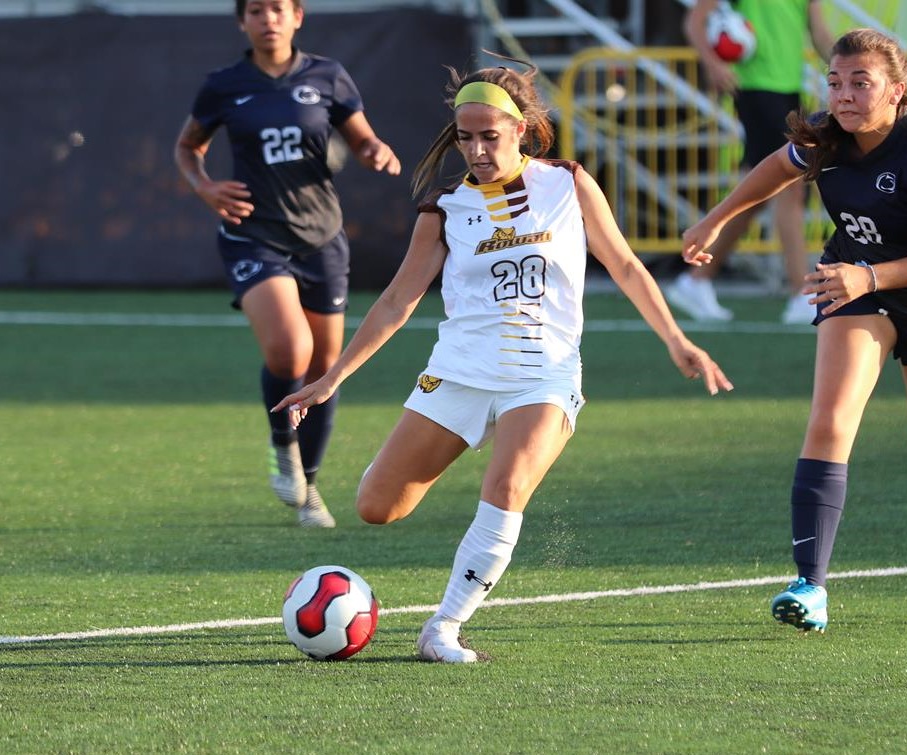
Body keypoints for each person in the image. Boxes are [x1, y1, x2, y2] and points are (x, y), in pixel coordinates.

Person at [274, 59, 734, 661]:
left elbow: (623, 263)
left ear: (522, 129)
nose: (477, 149)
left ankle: (443, 628)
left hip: (543, 374)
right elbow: (396, 301)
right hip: (460, 371)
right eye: (466, 137)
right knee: (376, 507)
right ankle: (462, 485)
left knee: (508, 485)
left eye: (490, 135)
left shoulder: (567, 183)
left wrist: (676, 339)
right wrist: (333, 378)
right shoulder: (445, 207)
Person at [682, 28, 907, 631]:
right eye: (834, 81)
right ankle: (811, 585)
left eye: (860, 82)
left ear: (896, 91)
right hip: (854, 284)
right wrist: (716, 220)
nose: (844, 95)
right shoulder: (825, 134)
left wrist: (869, 277)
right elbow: (776, 168)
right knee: (829, 420)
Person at [173, 0, 401, 528]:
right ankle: (283, 445)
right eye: (256, 10)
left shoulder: (328, 76)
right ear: (242, 22)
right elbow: (187, 148)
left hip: (320, 237)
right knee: (289, 348)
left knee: (326, 369)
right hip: (252, 235)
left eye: (277, 8)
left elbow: (361, 136)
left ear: (298, 17)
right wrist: (204, 187)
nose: (267, 18)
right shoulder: (224, 84)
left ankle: (311, 485)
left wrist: (373, 151)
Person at [675, 0, 835, 323]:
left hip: (789, 88)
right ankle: (800, 294)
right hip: (756, 88)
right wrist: (713, 63)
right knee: (791, 182)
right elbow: (695, 20)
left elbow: (818, 32)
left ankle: (696, 280)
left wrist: (853, 67)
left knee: (755, 193)